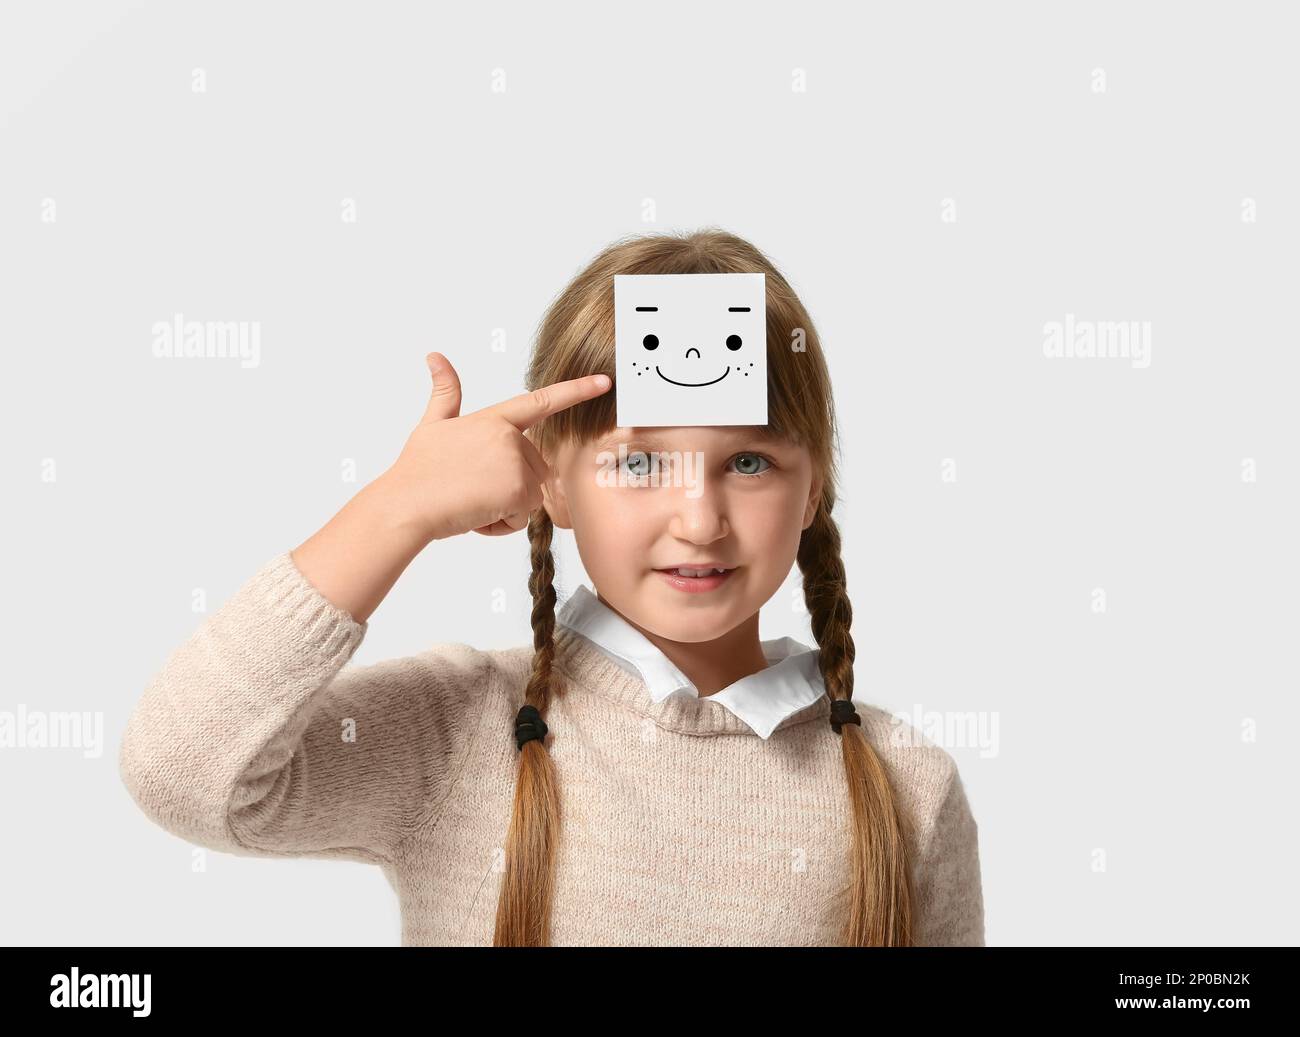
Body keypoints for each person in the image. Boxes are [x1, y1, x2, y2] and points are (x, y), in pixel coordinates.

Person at [118, 228, 985, 947]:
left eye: (749, 461)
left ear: (815, 487)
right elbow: (181, 769)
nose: (700, 518)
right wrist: (395, 511)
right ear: (552, 482)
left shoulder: (905, 784)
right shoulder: (461, 730)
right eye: (639, 460)